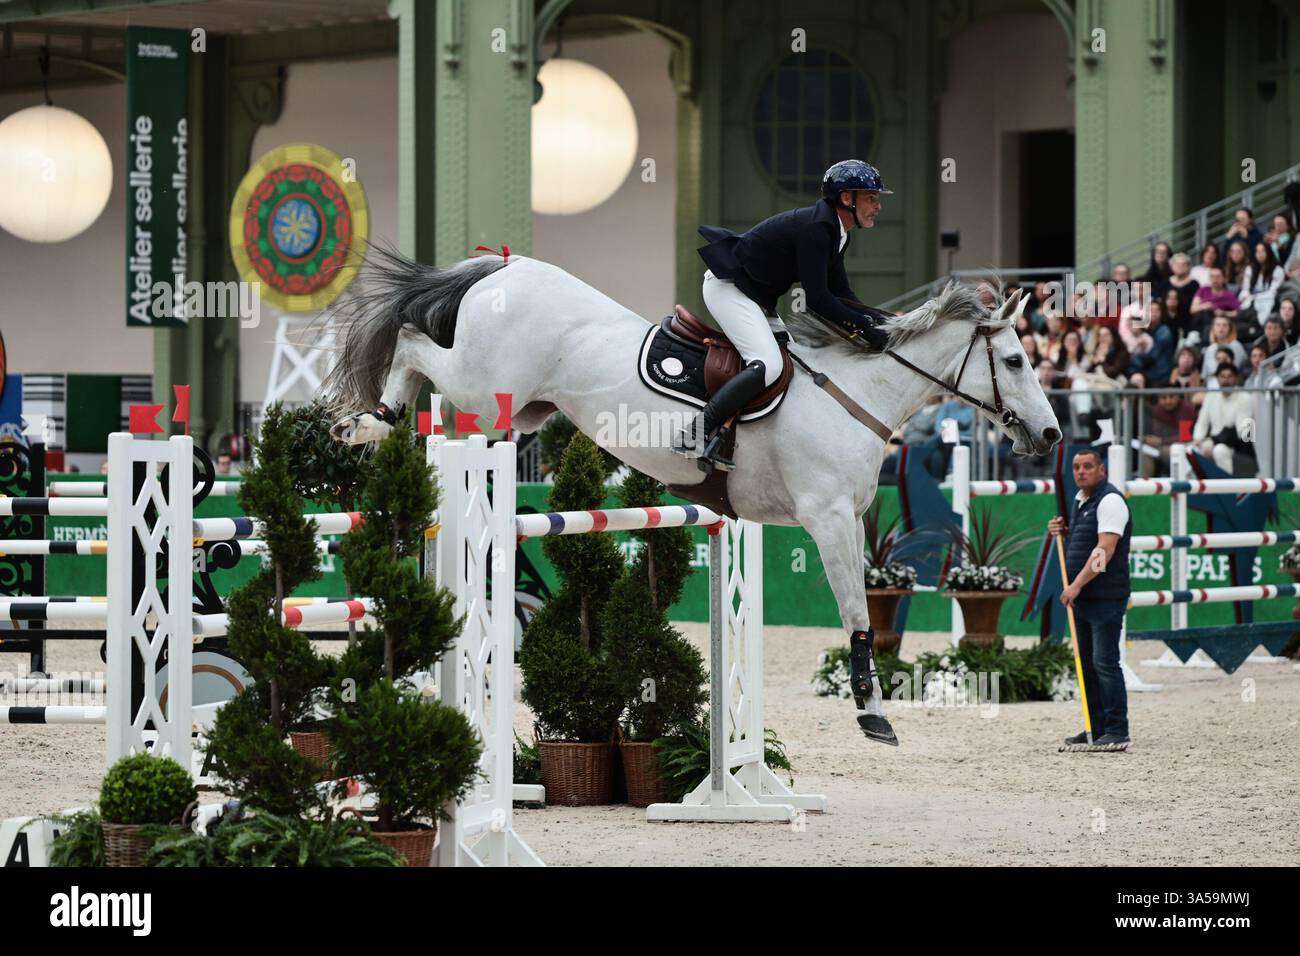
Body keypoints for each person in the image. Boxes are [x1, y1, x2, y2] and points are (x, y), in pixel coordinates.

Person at [682, 159, 893, 468]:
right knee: (767, 364)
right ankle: (696, 433)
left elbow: (843, 294)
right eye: (871, 197)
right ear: (847, 199)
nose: (878, 206)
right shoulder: (819, 229)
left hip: (756, 296)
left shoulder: (837, 232)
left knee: (793, 362)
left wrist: (885, 322)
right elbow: (818, 299)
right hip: (729, 288)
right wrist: (865, 329)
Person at [1048, 448, 1132, 750]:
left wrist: (1076, 585)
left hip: (1105, 596)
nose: (1081, 472)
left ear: (1102, 470)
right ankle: (1095, 728)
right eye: (1076, 467)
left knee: (1104, 662)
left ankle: (1117, 728)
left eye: (1088, 466)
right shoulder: (1081, 502)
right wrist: (1063, 531)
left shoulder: (1110, 501)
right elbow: (1085, 541)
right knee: (1087, 664)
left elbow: (1104, 552)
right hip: (1085, 598)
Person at [1193, 362, 1256, 472]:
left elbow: (1244, 433)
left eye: (1229, 376)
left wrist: (1215, 441)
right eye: (1222, 376)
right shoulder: (1211, 396)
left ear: (1236, 378)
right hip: (1214, 441)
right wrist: (1198, 439)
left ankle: (1228, 487)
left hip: (1238, 446)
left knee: (1219, 450)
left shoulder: (1245, 397)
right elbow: (1202, 422)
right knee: (1192, 450)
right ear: (1217, 379)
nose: (1226, 380)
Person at [1141, 391, 1198, 477]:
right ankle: (1144, 486)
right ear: (1159, 399)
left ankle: (1179, 486)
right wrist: (1150, 440)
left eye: (1171, 397)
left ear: (1178, 397)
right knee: (1146, 451)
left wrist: (1161, 441)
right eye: (1164, 398)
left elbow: (1185, 437)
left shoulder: (1186, 408)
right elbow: (1157, 433)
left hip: (1186, 446)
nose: (1168, 401)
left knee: (1174, 450)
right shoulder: (1157, 410)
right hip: (1163, 446)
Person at [1127, 299, 1174, 388]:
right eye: (1150, 310)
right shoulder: (1144, 332)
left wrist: (1132, 358)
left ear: (1161, 313)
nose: (1154, 313)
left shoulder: (1164, 331)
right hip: (1146, 369)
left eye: (1157, 310)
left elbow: (1152, 356)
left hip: (1158, 373)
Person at [1189, 268, 1239, 339]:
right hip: (1200, 322)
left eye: (1218, 277)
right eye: (1212, 277)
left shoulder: (1228, 295)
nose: (1214, 280)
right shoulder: (1203, 290)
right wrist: (1205, 306)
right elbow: (1192, 309)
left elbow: (1237, 313)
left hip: (1218, 323)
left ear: (1224, 279)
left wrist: (1223, 313)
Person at [1198, 314, 1248, 378]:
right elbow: (1204, 374)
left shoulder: (1236, 346)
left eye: (1224, 325)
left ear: (1230, 328)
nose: (1221, 328)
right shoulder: (1210, 349)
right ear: (1213, 328)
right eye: (1218, 325)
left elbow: (1236, 370)